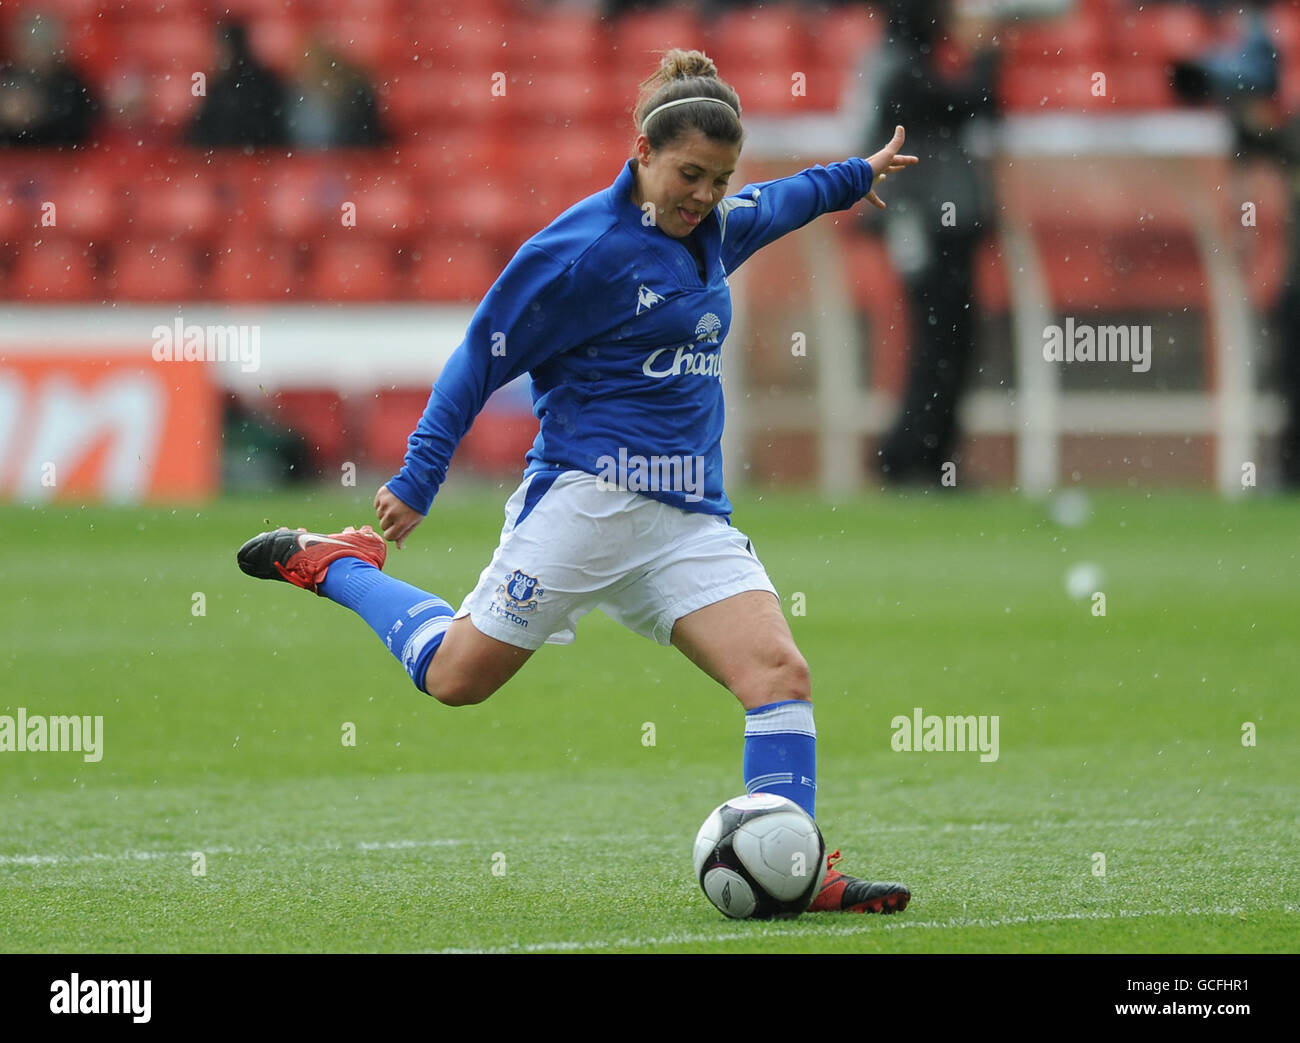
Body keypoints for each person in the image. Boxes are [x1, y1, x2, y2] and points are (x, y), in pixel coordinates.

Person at [237, 49, 917, 913]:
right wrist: (419, 475)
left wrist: (857, 174)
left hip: (686, 518)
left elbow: (781, 203)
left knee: (779, 675)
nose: (703, 195)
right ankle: (337, 566)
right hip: (586, 502)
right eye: (688, 175)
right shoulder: (579, 254)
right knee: (456, 676)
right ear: (641, 152)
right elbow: (477, 356)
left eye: (718, 178)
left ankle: (794, 867)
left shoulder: (715, 229)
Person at [868, 0, 999, 487]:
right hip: (930, 224)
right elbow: (968, 101)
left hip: (936, 223)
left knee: (945, 341)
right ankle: (913, 453)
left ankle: (924, 451)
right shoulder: (903, 71)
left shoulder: (897, 66)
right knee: (940, 341)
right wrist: (987, 56)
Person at [0, 11, 97, 148]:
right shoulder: (8, 79)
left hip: (62, 164)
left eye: (42, 46)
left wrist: (38, 116)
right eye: (30, 45)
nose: (36, 53)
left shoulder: (72, 84)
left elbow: (80, 130)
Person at [187, 21, 288, 149]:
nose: (215, 53)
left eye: (219, 48)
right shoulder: (217, 85)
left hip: (253, 158)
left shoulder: (256, 85)